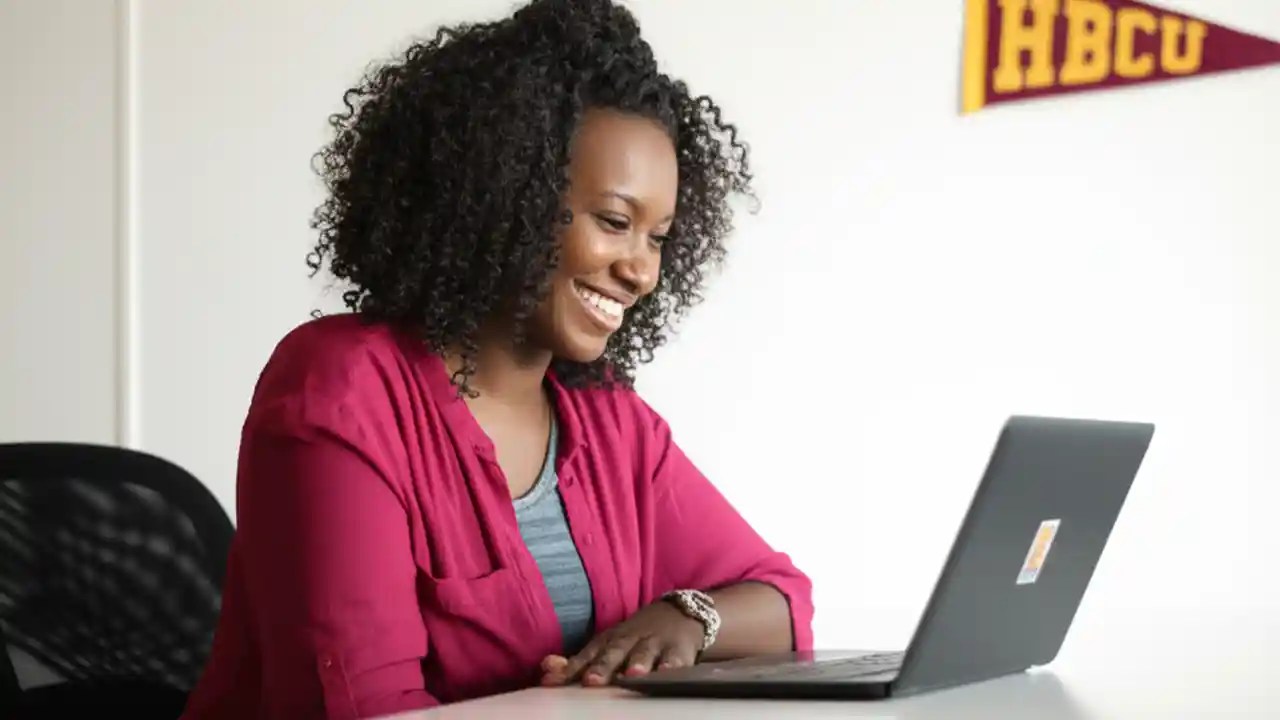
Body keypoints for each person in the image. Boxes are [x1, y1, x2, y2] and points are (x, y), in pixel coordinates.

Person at [183, 1, 813, 717]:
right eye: (614, 222)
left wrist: (686, 617)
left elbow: (782, 600)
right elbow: (366, 709)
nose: (641, 271)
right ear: (503, 194)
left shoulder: (608, 420)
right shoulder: (342, 389)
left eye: (658, 237)